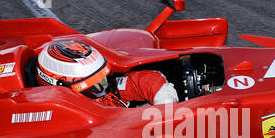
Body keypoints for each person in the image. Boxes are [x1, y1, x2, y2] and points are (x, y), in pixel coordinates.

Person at [35, 39, 178, 107]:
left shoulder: (110, 89)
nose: (105, 88)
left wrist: (165, 104)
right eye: (94, 87)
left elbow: (142, 80)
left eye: (105, 79)